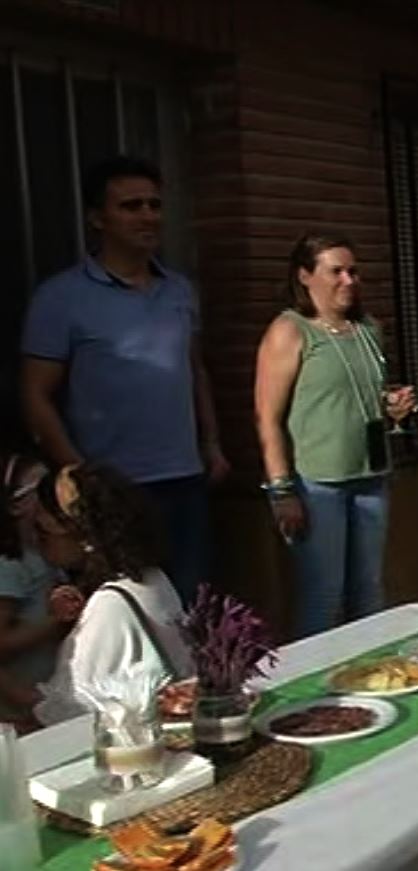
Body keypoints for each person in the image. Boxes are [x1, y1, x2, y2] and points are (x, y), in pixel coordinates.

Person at [20, 156, 229, 606]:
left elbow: (194, 369)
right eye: (131, 206)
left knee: (191, 606)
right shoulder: (61, 298)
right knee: (131, 610)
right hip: (115, 492)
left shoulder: (179, 291)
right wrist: (76, 473)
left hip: (185, 480)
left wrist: (211, 443)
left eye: (154, 205)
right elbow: (35, 394)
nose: (148, 216)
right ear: (98, 218)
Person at [253, 235, 416, 638]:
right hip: (318, 483)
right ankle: (312, 689)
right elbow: (267, 417)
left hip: (371, 475)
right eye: (336, 271)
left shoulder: (366, 328)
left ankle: (374, 675)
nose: (348, 279)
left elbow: (354, 398)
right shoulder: (290, 331)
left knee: (370, 591)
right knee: (324, 595)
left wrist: (390, 405)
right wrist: (280, 490)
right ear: (305, 276)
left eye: (353, 270)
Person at [16, 464, 193, 728]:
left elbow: (71, 711)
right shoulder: (151, 577)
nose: (36, 542)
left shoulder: (109, 606)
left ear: (83, 537)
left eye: (43, 533)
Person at [0, 454, 76, 722]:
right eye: (41, 487)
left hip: (54, 688)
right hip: (26, 702)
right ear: (15, 505)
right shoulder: (11, 565)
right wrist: (56, 622)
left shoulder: (48, 554)